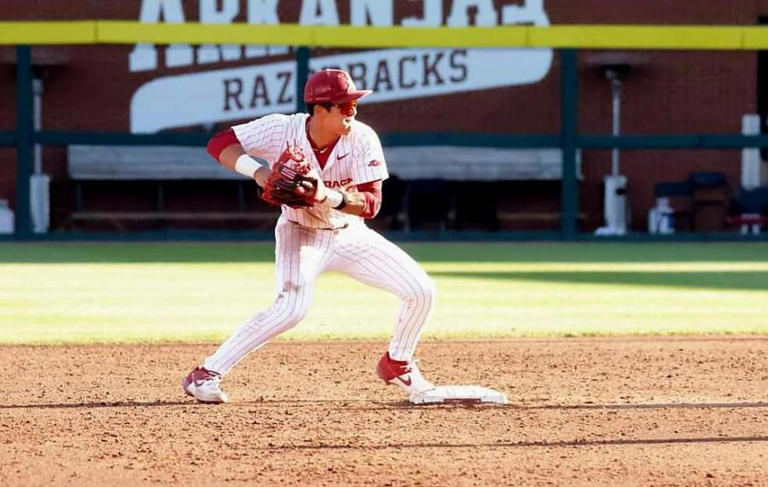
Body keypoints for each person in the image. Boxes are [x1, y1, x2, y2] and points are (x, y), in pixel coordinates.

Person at [182, 69, 437, 403]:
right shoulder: (282, 129)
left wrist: (326, 195)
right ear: (320, 109)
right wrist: (258, 171)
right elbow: (219, 144)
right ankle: (205, 373)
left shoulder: (361, 138)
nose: (353, 111)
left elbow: (371, 204)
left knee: (421, 291)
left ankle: (397, 363)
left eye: (354, 103)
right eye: (345, 105)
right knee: (292, 309)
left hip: (349, 234)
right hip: (300, 232)